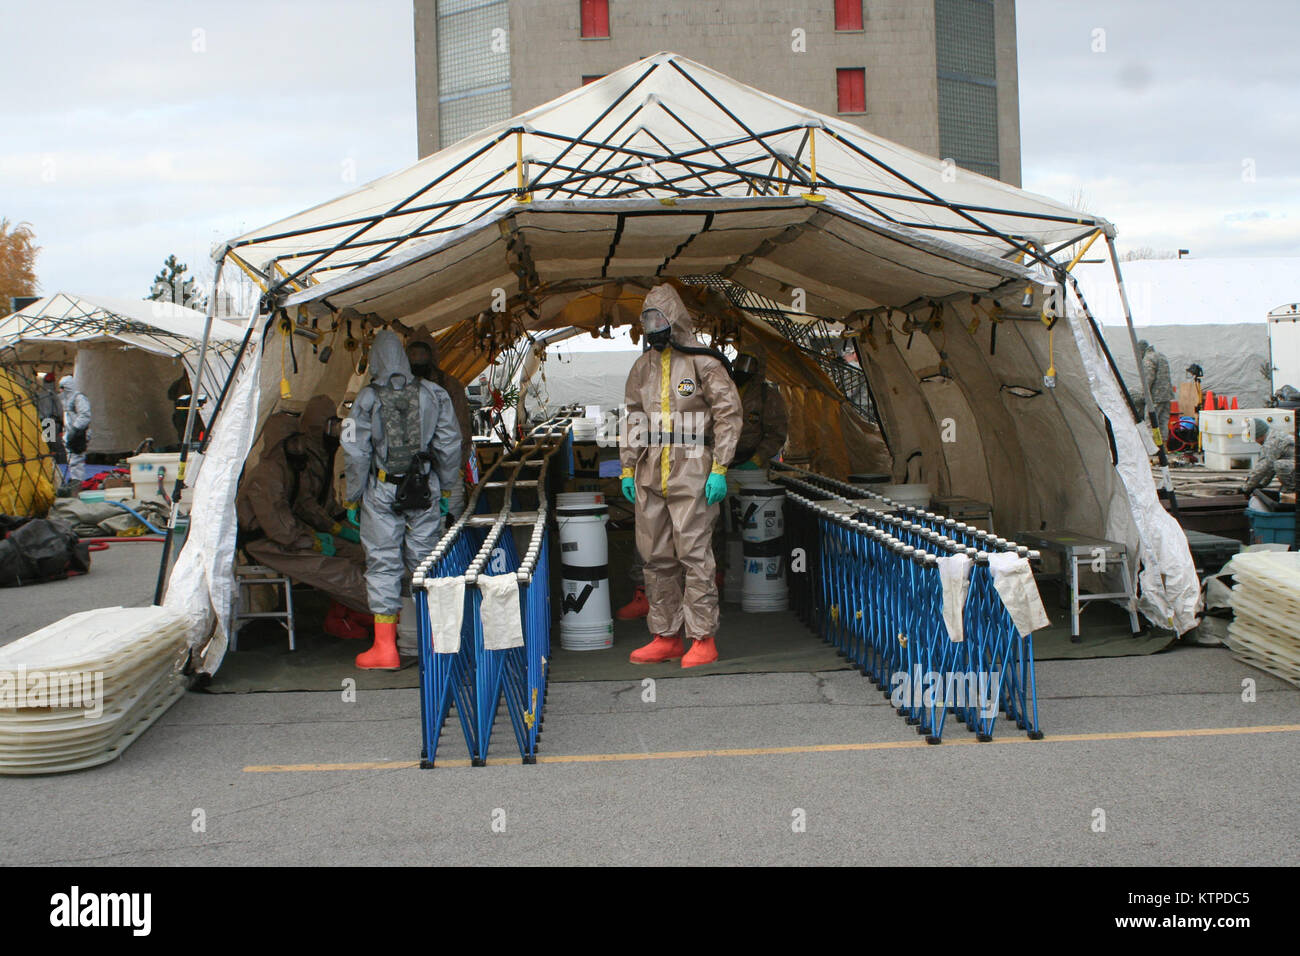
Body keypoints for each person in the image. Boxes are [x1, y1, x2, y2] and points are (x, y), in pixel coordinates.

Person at [615, 347, 787, 620]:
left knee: (707, 534)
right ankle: (656, 608)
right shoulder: (663, 372)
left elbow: (768, 429)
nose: (744, 366)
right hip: (699, 464)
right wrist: (629, 466)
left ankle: (707, 607)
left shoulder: (763, 394)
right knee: (655, 541)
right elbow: (636, 417)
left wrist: (754, 459)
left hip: (738, 466)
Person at [619, 284, 741, 667]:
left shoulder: (704, 363)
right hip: (651, 467)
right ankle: (666, 634)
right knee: (655, 555)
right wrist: (627, 465)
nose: (652, 326)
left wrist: (719, 467)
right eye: (647, 319)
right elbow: (634, 416)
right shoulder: (643, 368)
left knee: (694, 554)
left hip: (693, 463)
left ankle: (702, 637)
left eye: (659, 318)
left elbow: (728, 415)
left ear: (675, 319)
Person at [342, 329, 461, 670]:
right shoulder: (434, 394)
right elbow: (450, 444)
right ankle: (436, 644)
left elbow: (354, 452)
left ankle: (385, 649)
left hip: (382, 489)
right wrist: (448, 489)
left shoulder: (365, 399)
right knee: (427, 563)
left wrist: (352, 497)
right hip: (425, 488)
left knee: (382, 564)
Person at [235, 410, 372, 641]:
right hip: (266, 543)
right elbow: (280, 528)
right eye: (295, 442)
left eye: (301, 441)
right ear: (281, 443)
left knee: (357, 555)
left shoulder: (288, 468)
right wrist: (313, 541)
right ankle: (389, 615)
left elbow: (300, 509)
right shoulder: (267, 476)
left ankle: (362, 613)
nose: (300, 447)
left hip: (291, 536)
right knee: (341, 571)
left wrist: (327, 534)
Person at [406, 330, 473, 518]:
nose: (417, 359)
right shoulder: (396, 388)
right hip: (406, 475)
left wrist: (455, 471)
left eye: (422, 354)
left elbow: (460, 433)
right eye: (413, 354)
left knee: (448, 525)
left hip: (443, 471)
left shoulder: (449, 388)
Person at [1240, 418, 1296, 498]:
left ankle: (1292, 491)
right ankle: (1289, 489)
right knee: (1277, 465)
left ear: (1259, 435)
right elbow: (1270, 469)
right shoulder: (1274, 435)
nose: (1256, 441)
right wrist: (1260, 485)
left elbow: (1262, 468)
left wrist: (1246, 488)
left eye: (1255, 438)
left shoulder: (1271, 443)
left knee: (1280, 465)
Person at [1137, 340, 1174, 445]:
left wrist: (1143, 395)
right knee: (1163, 422)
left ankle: (1154, 448)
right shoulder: (1161, 356)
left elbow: (1148, 379)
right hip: (1166, 395)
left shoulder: (1148, 359)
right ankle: (1164, 447)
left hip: (1154, 397)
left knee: (1151, 423)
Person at [59, 375, 91, 485]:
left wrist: (75, 429)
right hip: (70, 433)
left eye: (62, 387)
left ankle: (78, 481)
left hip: (79, 433)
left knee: (76, 458)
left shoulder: (78, 398)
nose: (60, 390)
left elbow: (85, 415)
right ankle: (75, 480)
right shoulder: (66, 400)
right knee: (72, 459)